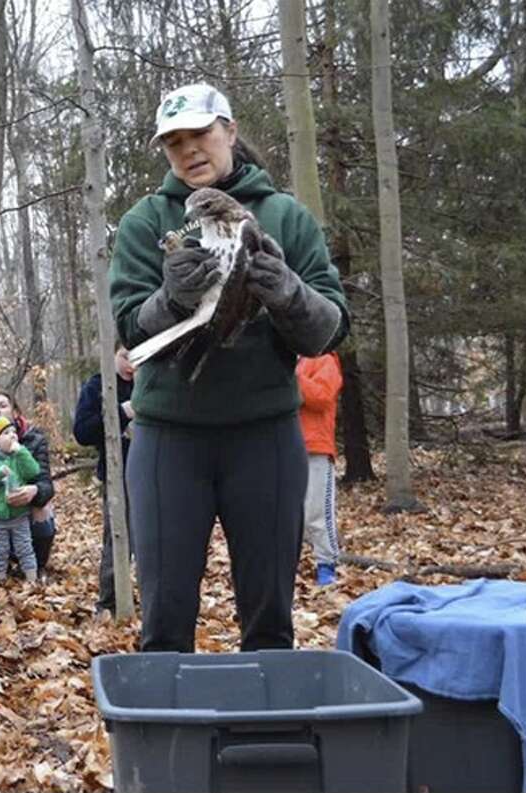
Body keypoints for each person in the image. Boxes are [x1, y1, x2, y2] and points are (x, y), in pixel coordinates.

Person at [109, 83, 349, 652]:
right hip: (170, 438)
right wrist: (170, 298)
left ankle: (264, 736)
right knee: (165, 617)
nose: (189, 150)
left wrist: (289, 292)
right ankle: (170, 738)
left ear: (230, 132)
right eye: (174, 142)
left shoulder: (285, 216)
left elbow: (330, 327)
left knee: (269, 617)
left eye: (200, 134)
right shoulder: (147, 222)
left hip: (265, 436)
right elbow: (128, 325)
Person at [0, 391, 57, 573]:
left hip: (26, 510)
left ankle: (35, 565)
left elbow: (45, 483)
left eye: (3, 405)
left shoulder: (34, 440)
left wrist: (35, 491)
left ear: (15, 412)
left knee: (43, 515)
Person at [72, 345, 136, 614]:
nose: (130, 364)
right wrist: (122, 412)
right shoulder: (97, 386)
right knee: (118, 538)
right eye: (124, 356)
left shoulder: (154, 382)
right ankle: (108, 603)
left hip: (156, 473)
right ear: (112, 355)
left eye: (136, 356)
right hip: (117, 475)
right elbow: (83, 431)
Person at [0, 415, 42, 583]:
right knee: (0, 549)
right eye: (6, 433)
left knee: (25, 547)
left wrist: (22, 452)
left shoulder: (19, 457)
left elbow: (33, 471)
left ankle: (32, 578)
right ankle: (0, 578)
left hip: (19, 515)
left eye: (14, 432)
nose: (12, 435)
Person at [297, 352, 344, 586]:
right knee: (290, 515)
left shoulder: (325, 360)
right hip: (287, 447)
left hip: (316, 448)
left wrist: (293, 376)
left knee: (317, 513)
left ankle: (327, 566)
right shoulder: (290, 360)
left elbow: (322, 397)